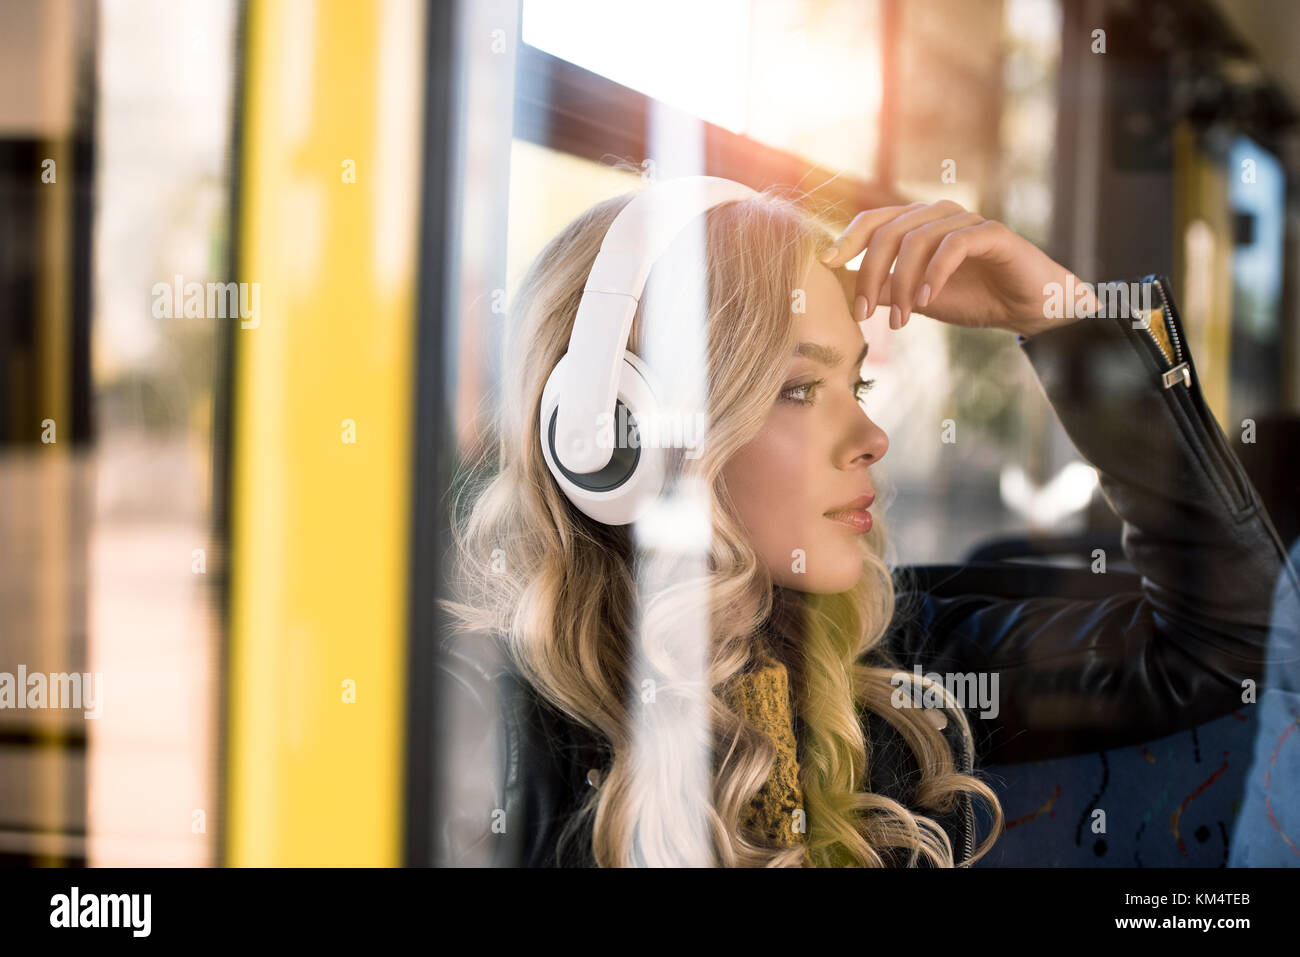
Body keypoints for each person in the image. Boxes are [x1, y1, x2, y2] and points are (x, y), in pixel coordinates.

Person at [435, 183, 1300, 868]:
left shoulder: (899, 671)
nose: (873, 438)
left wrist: (1065, 320)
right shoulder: (485, 727)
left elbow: (1237, 643)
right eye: (799, 389)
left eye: (861, 386)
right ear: (615, 436)